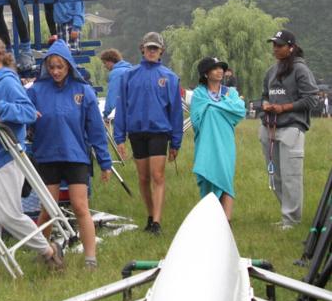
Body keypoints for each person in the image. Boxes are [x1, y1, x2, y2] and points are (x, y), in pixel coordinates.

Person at [0, 34, 64, 279]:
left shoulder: (8, 81)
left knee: (8, 215)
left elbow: (29, 112)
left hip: (4, 157)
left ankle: (48, 251)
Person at [28, 40, 111, 269]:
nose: (55, 71)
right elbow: (23, 116)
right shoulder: (36, 91)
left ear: (69, 67)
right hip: (47, 157)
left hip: (76, 157)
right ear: (46, 66)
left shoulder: (83, 92)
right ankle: (42, 254)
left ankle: (90, 258)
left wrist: (105, 163)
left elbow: (95, 130)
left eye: (60, 67)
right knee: (47, 210)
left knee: (80, 206)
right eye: (52, 67)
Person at [114, 32, 183, 235]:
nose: (152, 51)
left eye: (156, 48)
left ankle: (157, 223)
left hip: (159, 132)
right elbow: (122, 107)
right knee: (143, 177)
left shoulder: (169, 77)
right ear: (142, 49)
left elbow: (176, 112)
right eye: (149, 48)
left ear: (161, 51)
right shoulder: (129, 75)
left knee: (157, 175)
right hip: (136, 132)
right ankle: (150, 215)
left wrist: (176, 142)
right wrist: (119, 137)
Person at [259, 30, 319, 229]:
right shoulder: (271, 70)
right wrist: (266, 104)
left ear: (291, 47)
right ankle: (286, 216)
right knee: (275, 175)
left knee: (291, 176)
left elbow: (311, 99)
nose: (275, 48)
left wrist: (284, 107)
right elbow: (264, 94)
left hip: (292, 128)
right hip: (269, 128)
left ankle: (291, 220)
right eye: (274, 45)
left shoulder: (301, 70)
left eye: (280, 45)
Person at [190, 57, 246, 221]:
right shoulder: (199, 94)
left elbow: (239, 110)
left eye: (221, 68)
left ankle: (226, 221)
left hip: (226, 142)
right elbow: (196, 118)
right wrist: (223, 106)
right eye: (215, 68)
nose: (220, 71)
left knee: (226, 178)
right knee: (208, 176)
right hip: (206, 143)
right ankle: (212, 219)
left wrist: (212, 105)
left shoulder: (231, 92)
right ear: (206, 74)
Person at [99, 49, 132, 120]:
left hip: (124, 112)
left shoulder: (116, 73)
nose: (105, 66)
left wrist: (106, 114)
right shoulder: (130, 69)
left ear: (110, 61)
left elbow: (112, 95)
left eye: (105, 63)